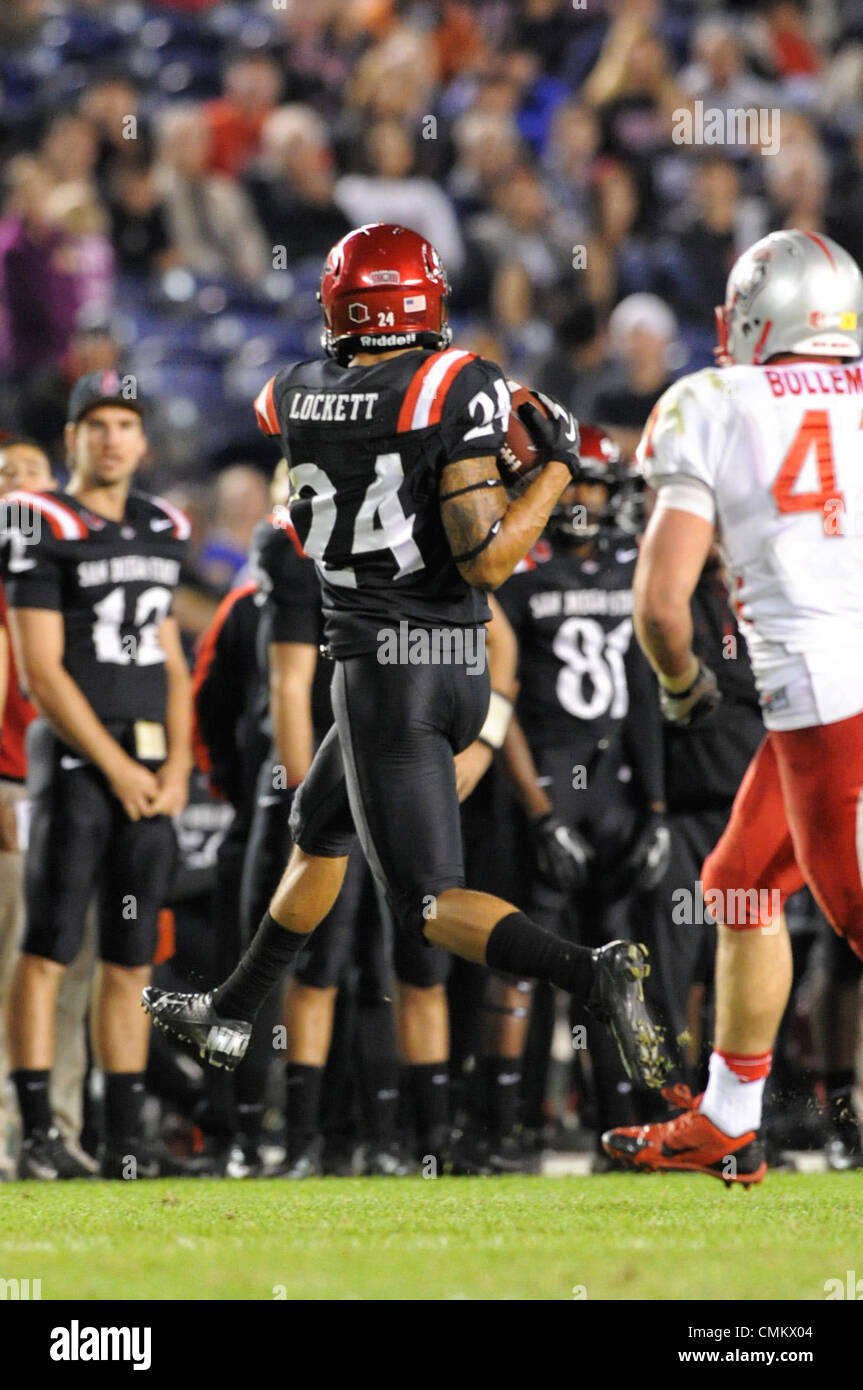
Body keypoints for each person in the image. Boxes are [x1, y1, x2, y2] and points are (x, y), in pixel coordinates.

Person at [143, 222, 670, 1096]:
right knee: (317, 835)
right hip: (450, 659)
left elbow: (477, 547)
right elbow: (489, 559)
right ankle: (232, 1010)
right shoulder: (455, 384)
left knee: (430, 907)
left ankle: (593, 972)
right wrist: (552, 471)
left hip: (385, 673)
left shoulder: (293, 391)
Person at [602, 228, 863, 1185]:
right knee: (741, 879)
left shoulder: (708, 400)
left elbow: (661, 607)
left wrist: (681, 688)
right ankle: (729, 1117)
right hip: (835, 688)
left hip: (823, 698)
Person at [2, 370, 194, 1179]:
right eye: (98, 424)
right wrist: (116, 765)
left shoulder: (163, 524)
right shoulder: (37, 518)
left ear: (143, 441)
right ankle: (39, 1130)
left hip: (149, 765)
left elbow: (169, 657)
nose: (112, 438)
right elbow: (40, 668)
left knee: (130, 958)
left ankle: (123, 1137)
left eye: (125, 423)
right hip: (78, 760)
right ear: (71, 438)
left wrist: (178, 765)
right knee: (45, 945)